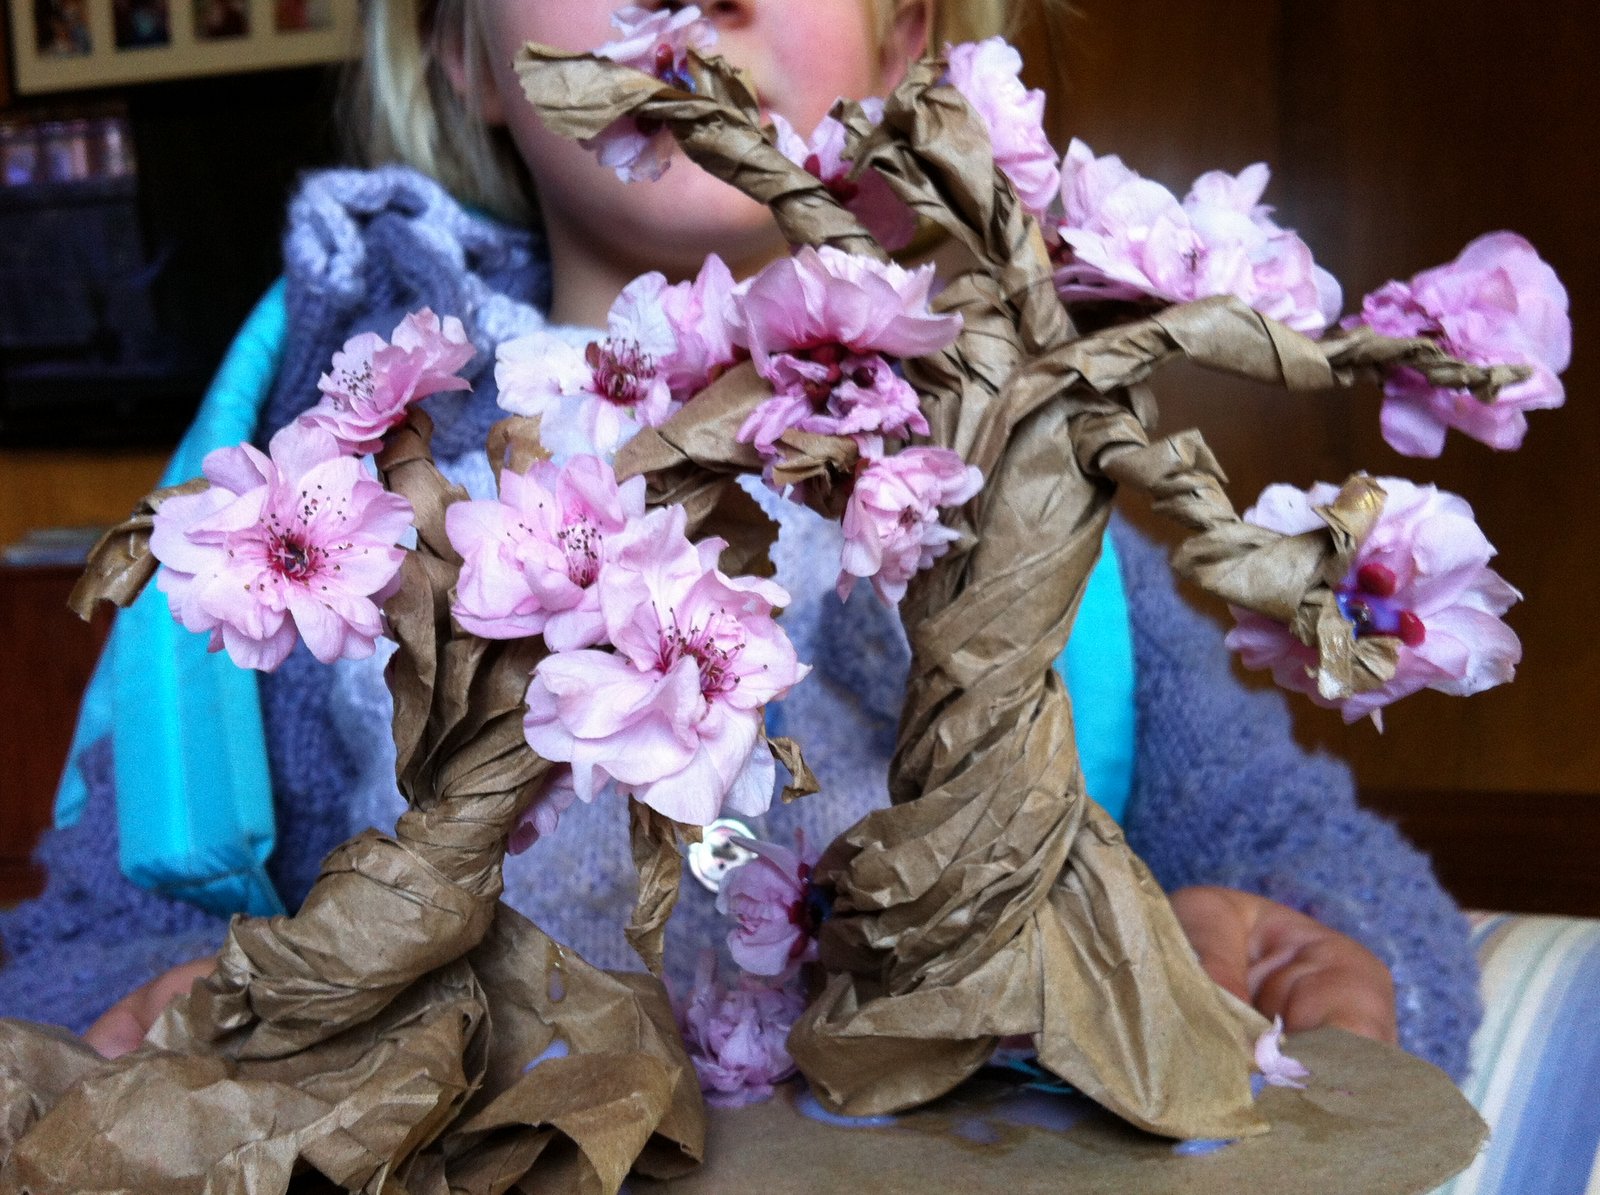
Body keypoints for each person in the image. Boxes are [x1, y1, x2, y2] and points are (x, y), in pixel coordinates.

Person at [0, 0, 1479, 1091]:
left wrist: (1315, 946)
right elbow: (92, 937)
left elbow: (1290, 847)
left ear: (907, 42)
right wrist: (156, 1005)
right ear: (463, 52)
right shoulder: (322, 482)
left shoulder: (1005, 471)